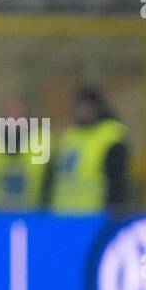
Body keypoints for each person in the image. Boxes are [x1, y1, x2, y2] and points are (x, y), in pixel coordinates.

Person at [47, 86, 129, 214]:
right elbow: (53, 178)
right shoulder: (69, 136)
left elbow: (117, 182)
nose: (81, 110)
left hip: (94, 216)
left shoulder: (110, 135)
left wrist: (113, 213)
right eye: (79, 106)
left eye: (86, 106)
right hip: (62, 215)